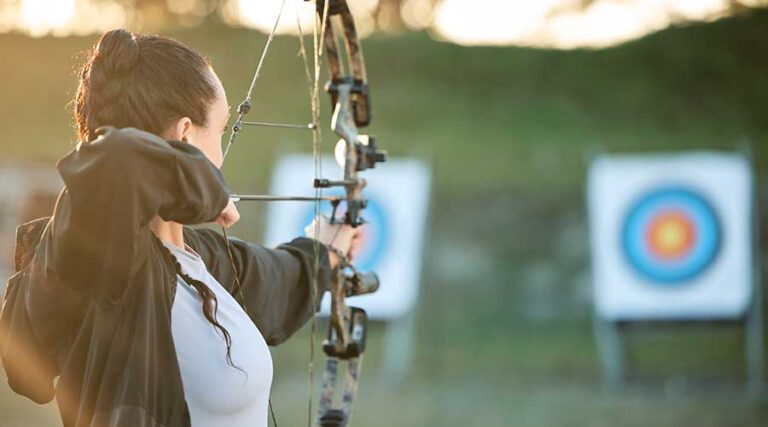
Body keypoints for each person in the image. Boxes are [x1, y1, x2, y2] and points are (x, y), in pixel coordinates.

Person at [0, 28, 361, 427]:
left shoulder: (199, 260)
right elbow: (114, 159)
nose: (221, 154)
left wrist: (326, 244)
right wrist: (203, 186)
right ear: (185, 134)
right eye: (220, 130)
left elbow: (277, 278)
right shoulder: (98, 256)